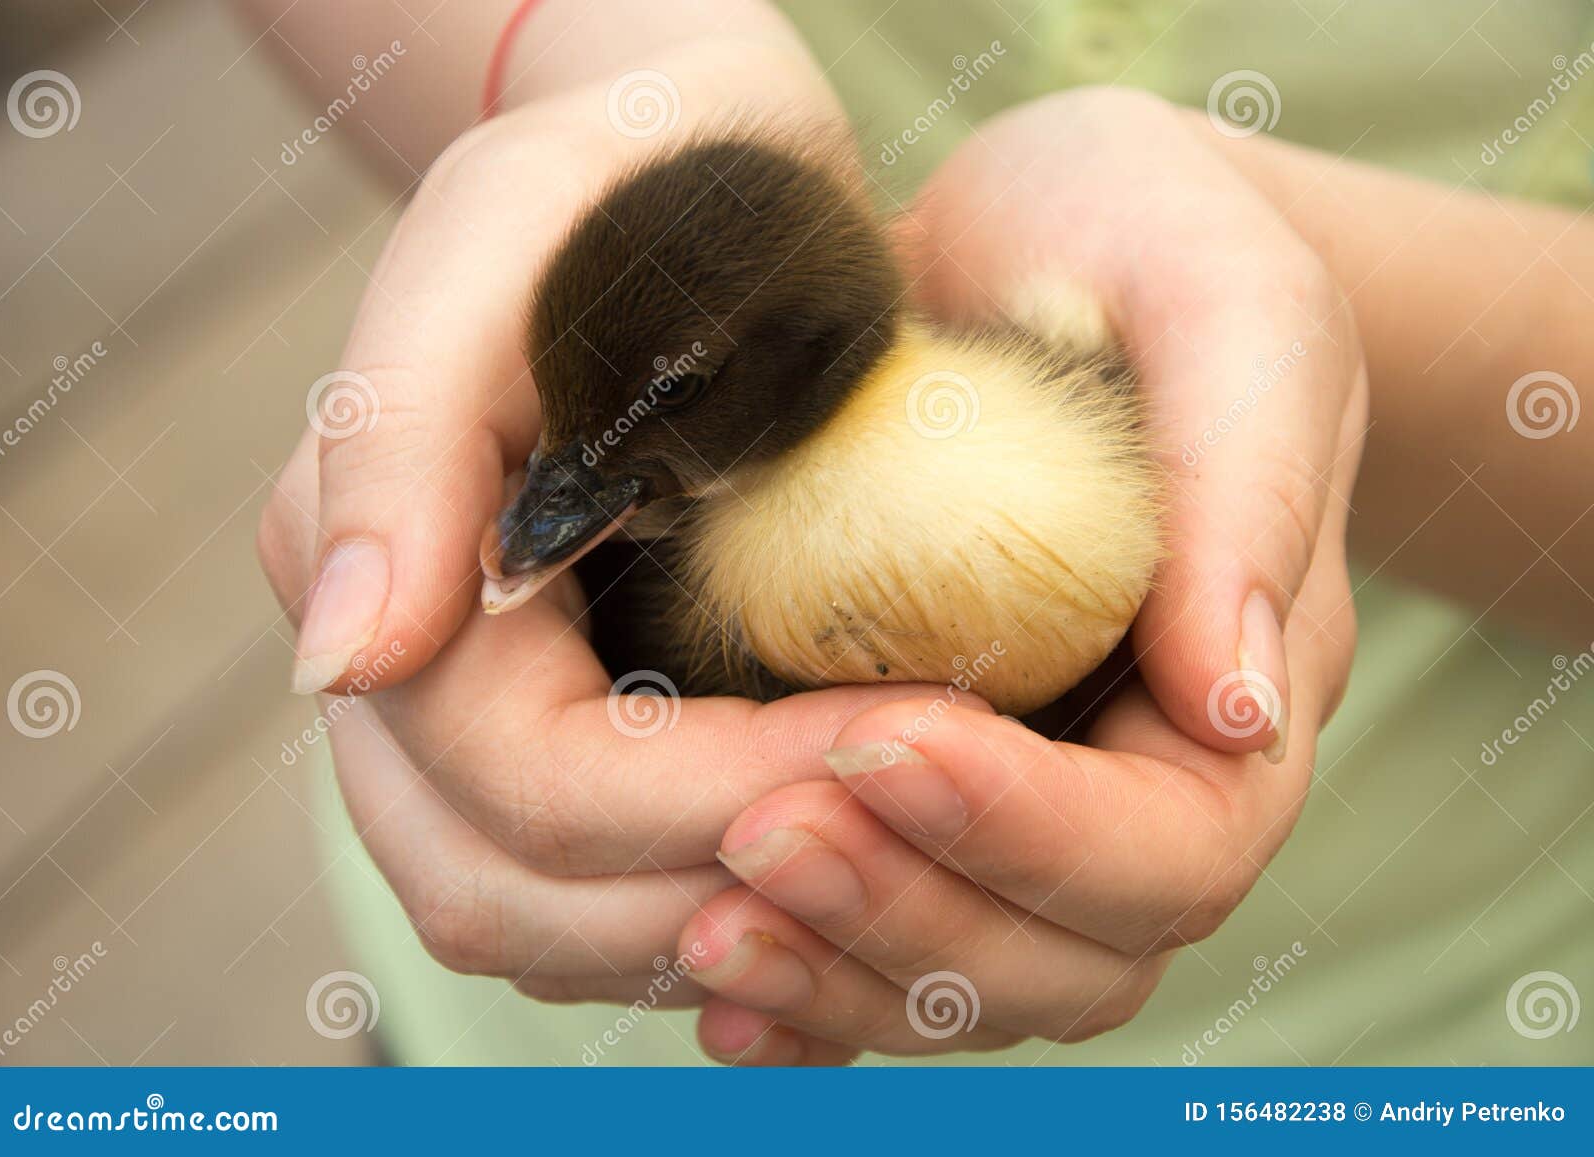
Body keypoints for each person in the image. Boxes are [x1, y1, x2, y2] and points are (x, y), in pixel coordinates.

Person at [249, 0, 1594, 1065]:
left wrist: (1324, 324)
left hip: (1398, 1028)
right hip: (533, 1033)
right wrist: (604, 54)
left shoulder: (1037, 418)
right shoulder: (701, 543)